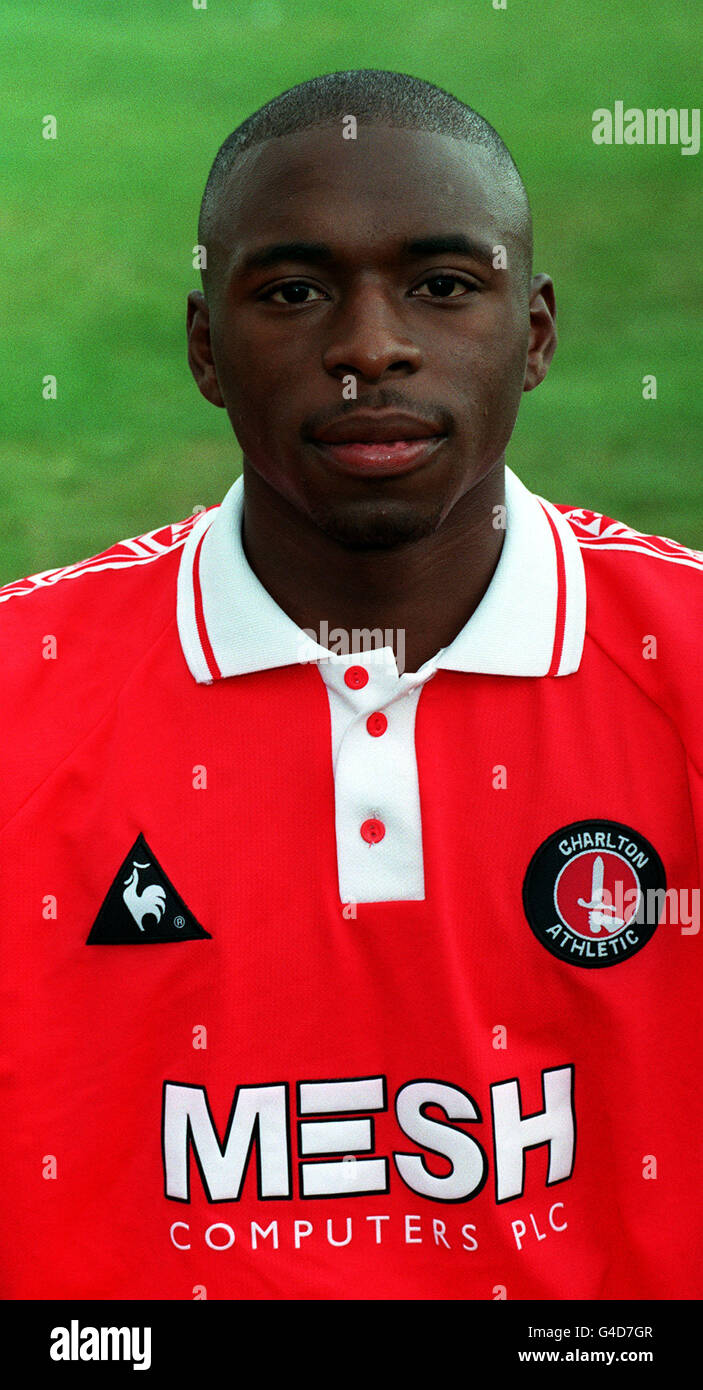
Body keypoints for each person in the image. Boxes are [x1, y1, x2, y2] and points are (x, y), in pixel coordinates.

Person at [1, 69, 701, 1302]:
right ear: (205, 348)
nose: (368, 346)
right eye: (295, 291)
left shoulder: (681, 665)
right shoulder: (24, 693)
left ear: (532, 333)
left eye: (442, 285)